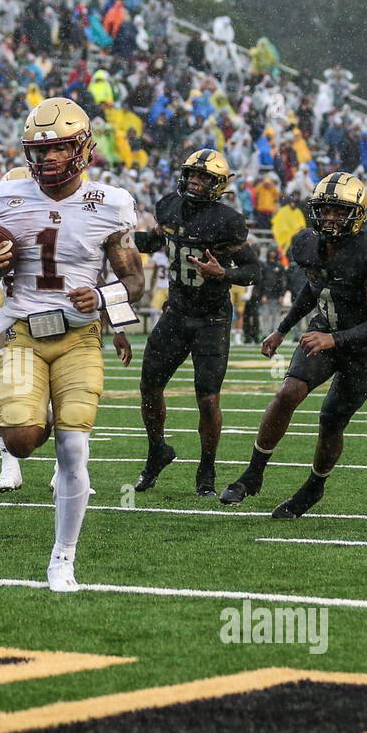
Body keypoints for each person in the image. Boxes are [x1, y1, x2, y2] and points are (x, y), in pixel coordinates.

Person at [0, 97, 145, 593]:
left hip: (79, 335)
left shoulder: (110, 202)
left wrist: (104, 296)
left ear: (83, 147)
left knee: (73, 445)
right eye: (39, 151)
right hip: (21, 332)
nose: (46, 160)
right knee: (22, 438)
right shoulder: (7, 197)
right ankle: (31, 416)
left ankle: (63, 557)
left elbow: (135, 281)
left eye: (59, 149)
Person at [220, 172, 367, 519]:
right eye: (325, 209)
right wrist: (282, 330)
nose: (329, 217)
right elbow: (313, 288)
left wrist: (335, 339)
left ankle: (313, 488)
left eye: (339, 211)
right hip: (323, 330)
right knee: (288, 393)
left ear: (358, 214)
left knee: (331, 420)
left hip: (364, 347)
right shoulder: (305, 243)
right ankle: (253, 473)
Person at [132, 149, 260, 496]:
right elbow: (157, 240)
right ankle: (157, 450)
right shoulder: (168, 207)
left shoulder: (227, 221)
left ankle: (207, 467)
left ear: (218, 186)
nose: (194, 181)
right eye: (191, 174)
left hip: (212, 320)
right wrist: (121, 237)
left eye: (203, 177)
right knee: (149, 387)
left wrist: (225, 273)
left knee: (207, 399)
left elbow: (253, 270)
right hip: (175, 313)